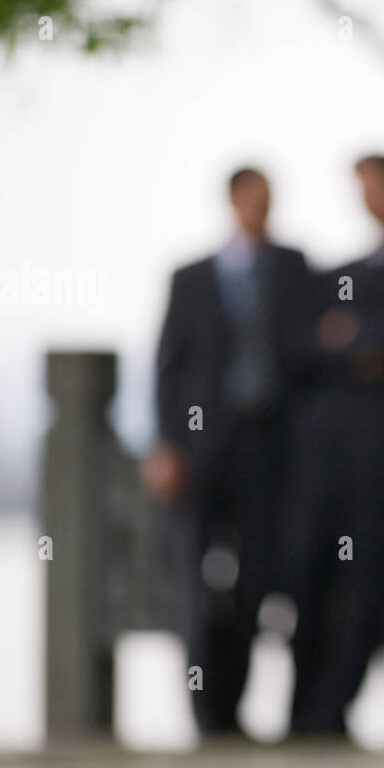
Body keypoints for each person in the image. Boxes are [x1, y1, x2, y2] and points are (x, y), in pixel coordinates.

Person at [143, 167, 312, 738]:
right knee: (195, 584)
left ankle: (234, 707)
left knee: (255, 583)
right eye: (251, 201)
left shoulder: (293, 269)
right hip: (199, 452)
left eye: (267, 201)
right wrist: (166, 445)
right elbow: (168, 368)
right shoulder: (191, 278)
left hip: (269, 452)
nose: (259, 211)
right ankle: (203, 712)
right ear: (233, 203)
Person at [276, 154, 384, 738]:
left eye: (375, 183)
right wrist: (361, 350)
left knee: (369, 578)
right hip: (325, 459)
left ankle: (333, 709)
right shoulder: (333, 274)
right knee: (309, 573)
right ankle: (301, 711)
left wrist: (351, 339)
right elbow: (303, 348)